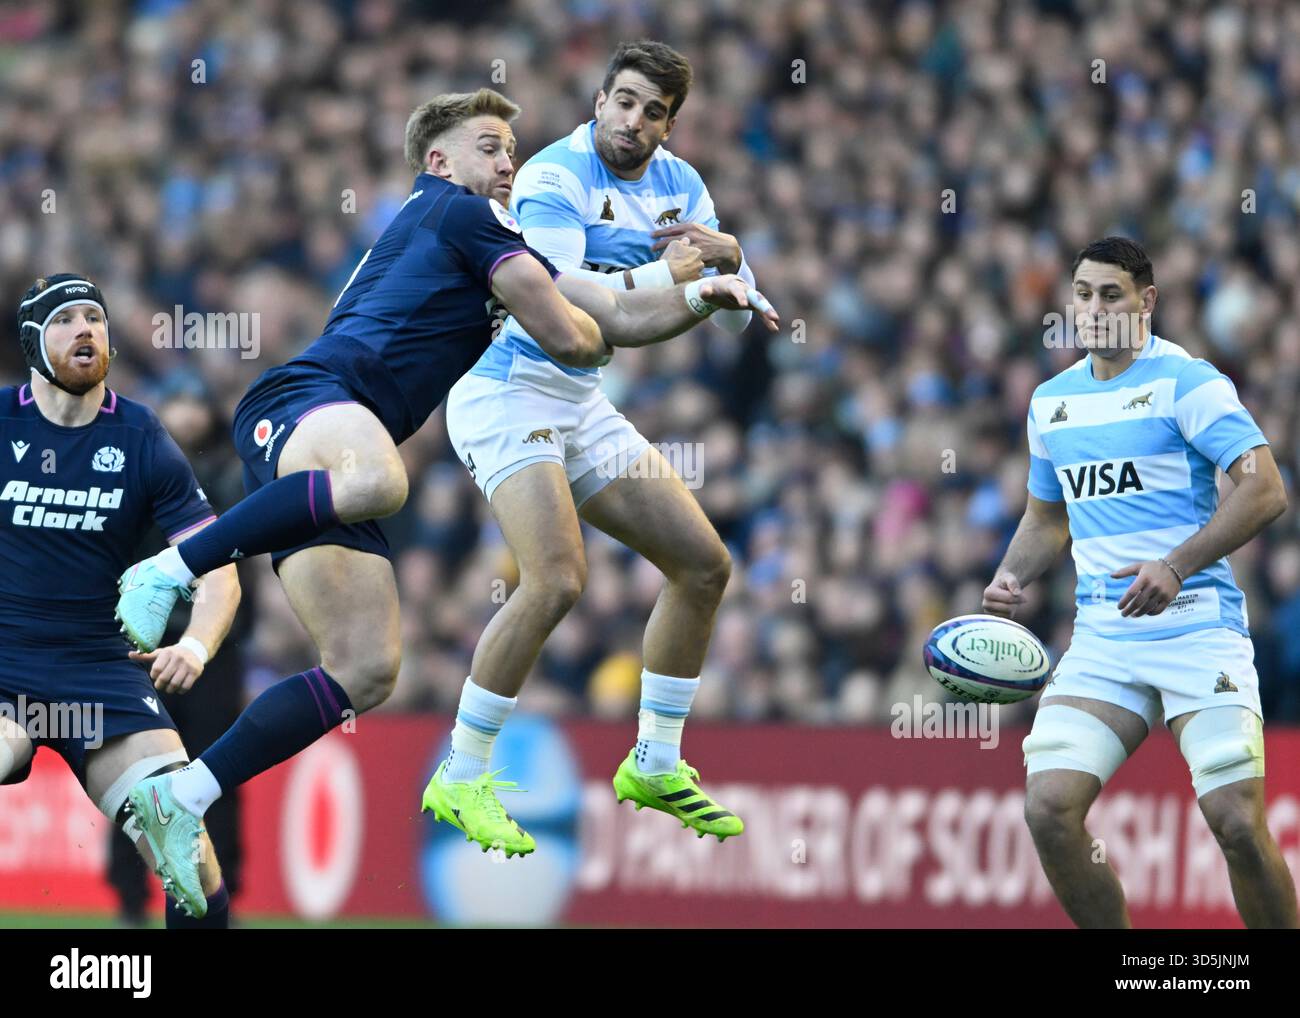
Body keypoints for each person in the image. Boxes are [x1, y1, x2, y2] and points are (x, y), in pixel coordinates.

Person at [113, 87, 777, 911]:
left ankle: (184, 798)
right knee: (384, 479)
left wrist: (690, 297)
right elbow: (579, 335)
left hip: (324, 435)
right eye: (491, 146)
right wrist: (666, 280)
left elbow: (605, 315)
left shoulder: (474, 230)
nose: (508, 163)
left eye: (511, 148)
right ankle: (171, 567)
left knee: (365, 671)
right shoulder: (468, 216)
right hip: (309, 400)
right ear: (440, 161)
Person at [436, 41, 753, 848]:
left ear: (671, 124)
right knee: (556, 578)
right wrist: (679, 278)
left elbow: (726, 300)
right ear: (599, 98)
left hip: (579, 399)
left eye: (653, 111)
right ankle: (461, 772)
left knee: (704, 564)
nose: (633, 121)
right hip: (504, 388)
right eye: (624, 101)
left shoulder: (683, 186)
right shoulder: (552, 176)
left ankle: (655, 760)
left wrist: (735, 268)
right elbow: (577, 304)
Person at [983, 236, 1297, 928]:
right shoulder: (1052, 403)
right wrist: (1011, 575)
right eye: (1083, 293)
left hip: (1197, 626)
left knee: (1236, 823)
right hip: (1103, 638)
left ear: (1146, 301)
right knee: (1049, 809)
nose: (1093, 308)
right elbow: (1047, 517)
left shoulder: (1188, 383)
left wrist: (1175, 564)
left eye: (1111, 294)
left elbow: (1265, 490)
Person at [0, 275, 241, 927]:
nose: (85, 328)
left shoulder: (141, 436)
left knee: (188, 855)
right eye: (65, 319)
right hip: (6, 670)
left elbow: (220, 567)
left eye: (95, 317)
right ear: (32, 341)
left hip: (102, 675)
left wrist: (196, 645)